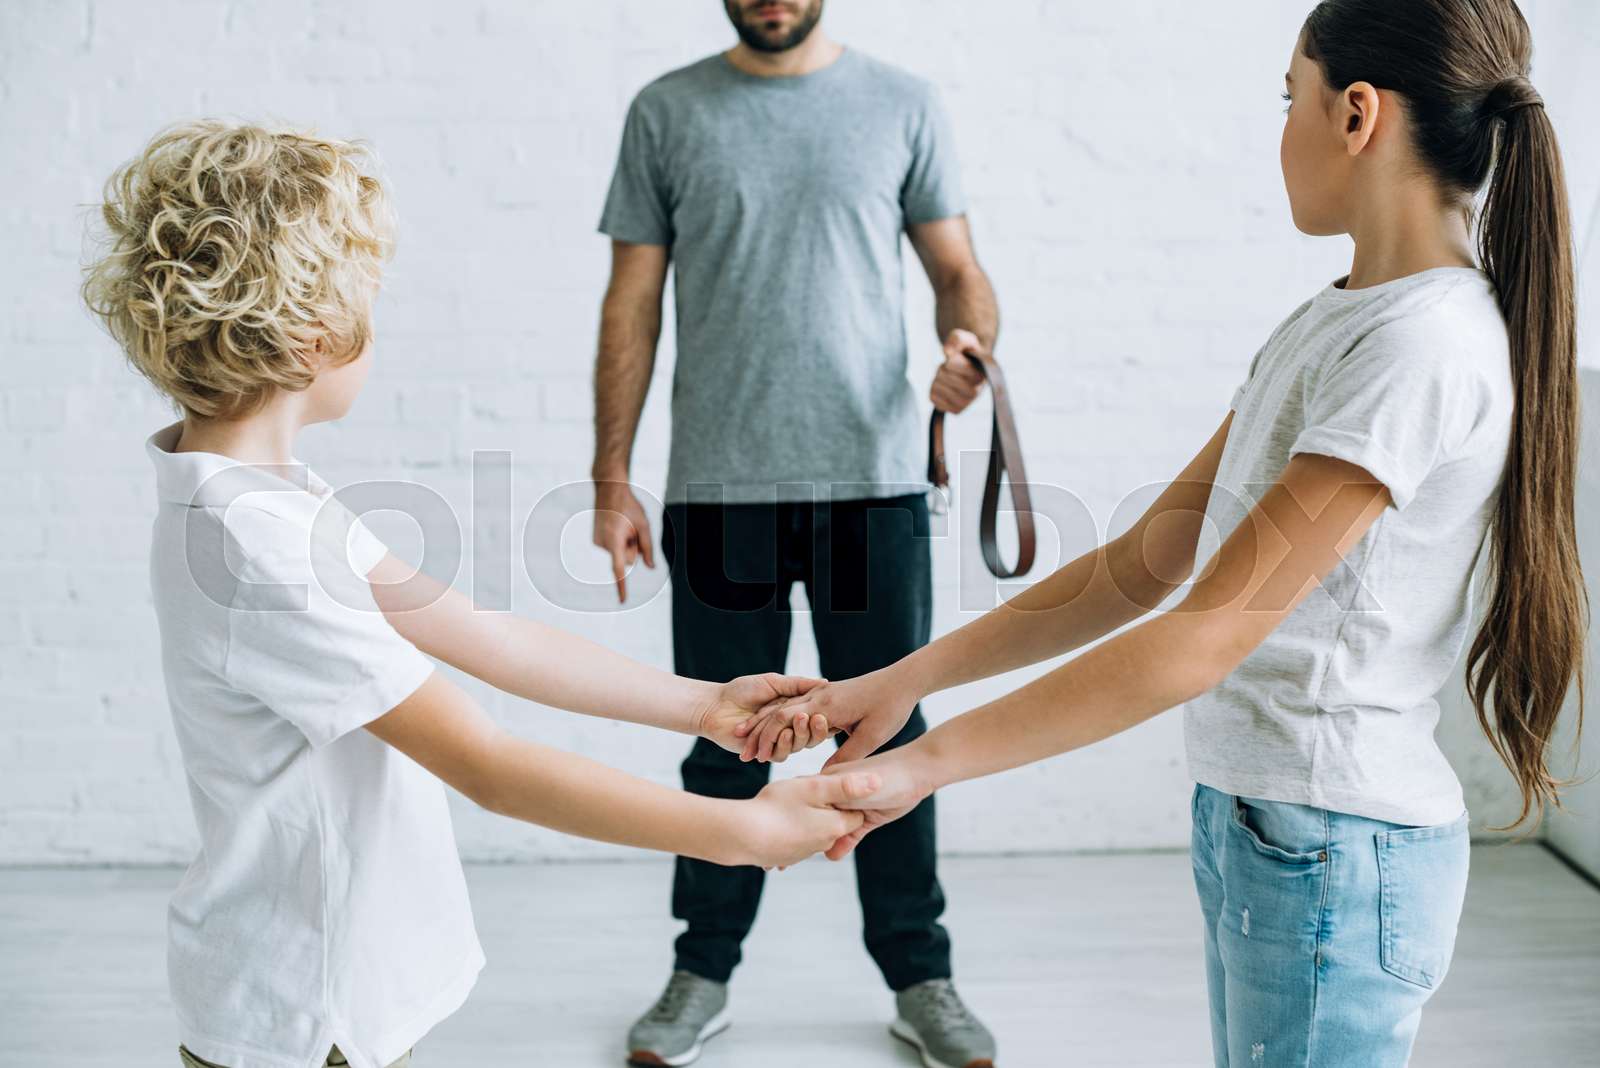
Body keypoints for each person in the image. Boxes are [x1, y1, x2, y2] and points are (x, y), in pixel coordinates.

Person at [743, 1, 1587, 1063]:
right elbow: (1146, 563)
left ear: (1356, 115)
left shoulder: (1419, 348)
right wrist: (903, 681)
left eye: (1290, 98)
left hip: (1334, 842)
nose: (1280, 127)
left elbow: (1201, 637)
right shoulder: (1336, 319)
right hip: (1265, 823)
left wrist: (921, 767)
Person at [81, 119, 876, 1068]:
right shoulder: (254, 549)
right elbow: (488, 766)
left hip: (333, 989)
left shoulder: (267, 500)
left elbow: (482, 634)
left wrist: (703, 706)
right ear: (312, 336)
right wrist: (737, 832)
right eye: (369, 302)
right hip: (304, 1015)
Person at [591, 2, 1002, 1065]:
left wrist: (968, 344)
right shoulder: (667, 110)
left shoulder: (902, 103)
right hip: (719, 491)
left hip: (873, 486)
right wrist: (611, 474)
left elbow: (956, 269)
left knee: (891, 738)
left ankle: (921, 978)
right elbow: (631, 300)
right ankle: (701, 971)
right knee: (721, 742)